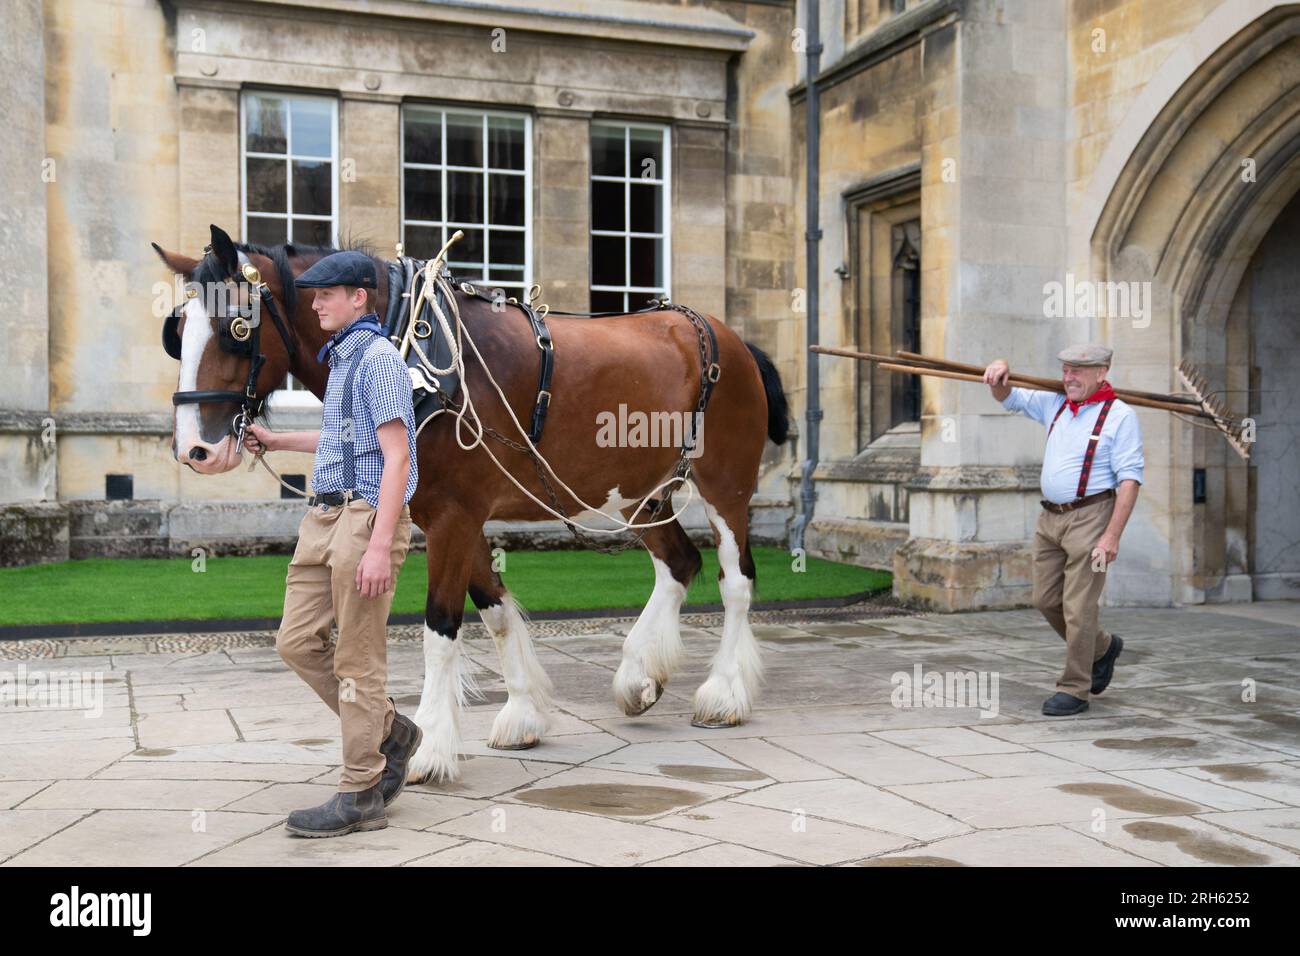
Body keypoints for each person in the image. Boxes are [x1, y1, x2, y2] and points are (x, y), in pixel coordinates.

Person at [242, 250, 422, 836]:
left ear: (359, 298)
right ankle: (390, 731)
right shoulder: (343, 360)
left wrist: (378, 546)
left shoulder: (379, 361)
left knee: (356, 658)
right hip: (322, 518)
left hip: (366, 519)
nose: (315, 302)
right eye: (313, 294)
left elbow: (397, 456)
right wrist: (274, 439)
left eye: (326, 294)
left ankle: (361, 791)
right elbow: (342, 438)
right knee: (296, 642)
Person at [984, 344, 1143, 716]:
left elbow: (1130, 480)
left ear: (1102, 372)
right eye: (1066, 369)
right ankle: (1103, 648)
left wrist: (1112, 536)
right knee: (1045, 599)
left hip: (1092, 518)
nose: (1069, 377)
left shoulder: (1120, 416)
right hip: (1050, 519)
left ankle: (1075, 689)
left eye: (1079, 371)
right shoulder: (1055, 404)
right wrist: (999, 372)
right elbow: (1010, 398)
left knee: (1078, 607)